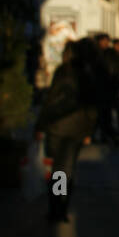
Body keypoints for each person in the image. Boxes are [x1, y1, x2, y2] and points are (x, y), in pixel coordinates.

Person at [34, 39, 99, 222]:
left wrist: (40, 125)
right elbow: (92, 108)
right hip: (76, 130)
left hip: (57, 127)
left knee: (58, 170)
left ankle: (55, 207)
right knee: (67, 170)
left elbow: (50, 100)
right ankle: (61, 207)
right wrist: (89, 131)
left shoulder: (63, 72)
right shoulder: (86, 74)